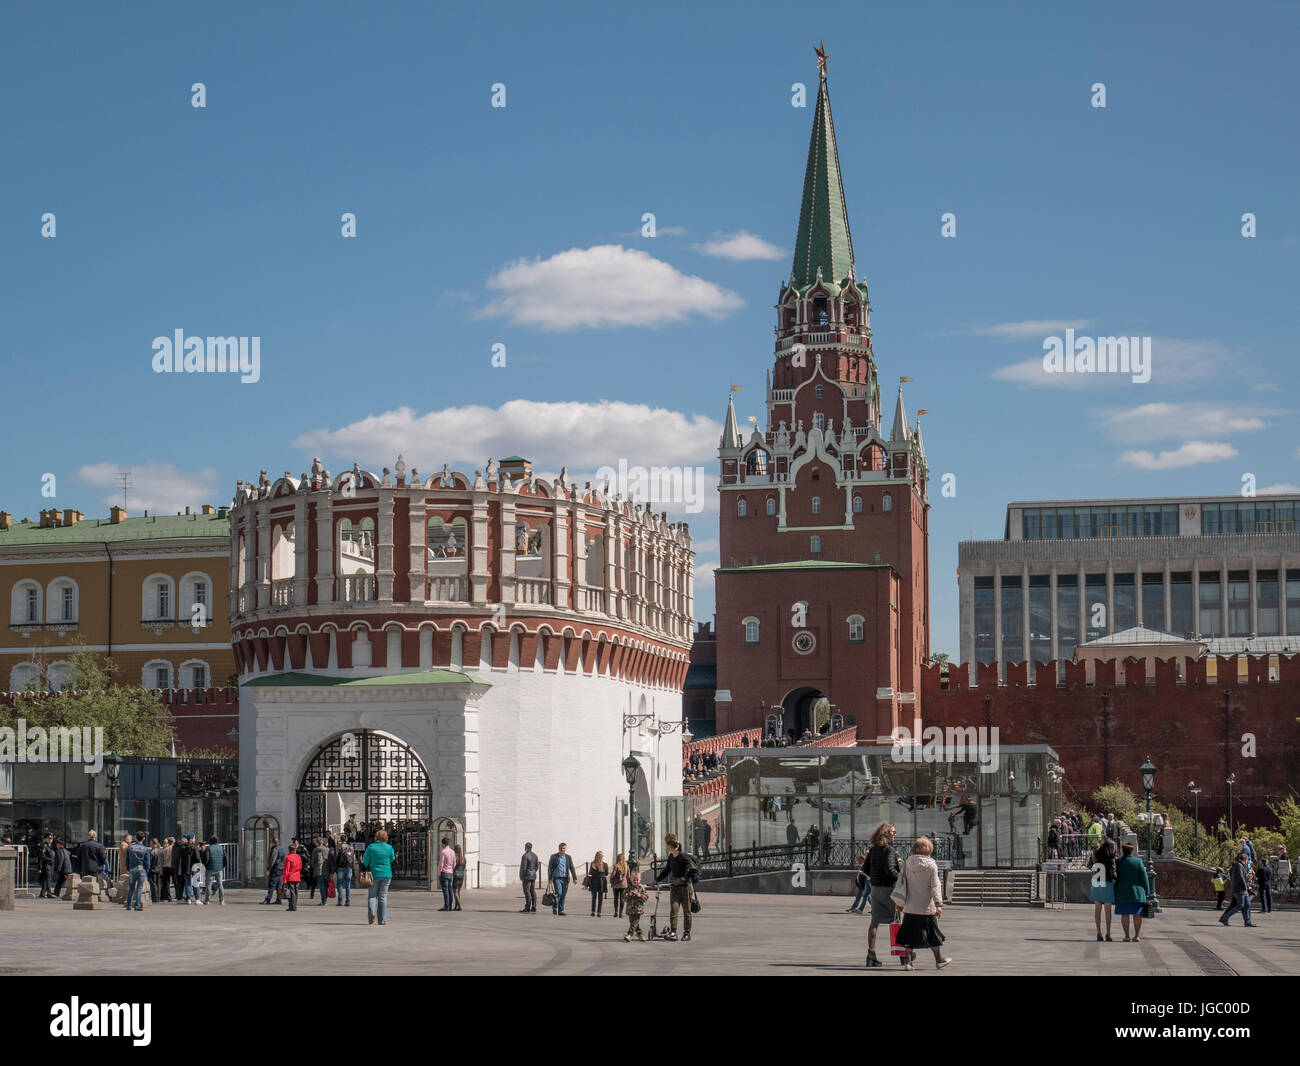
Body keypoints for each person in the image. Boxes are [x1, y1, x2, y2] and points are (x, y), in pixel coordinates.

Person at [894, 836, 951, 970]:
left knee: (908, 935)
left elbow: (901, 882)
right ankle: (939, 960)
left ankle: (908, 963)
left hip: (910, 906)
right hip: (926, 907)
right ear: (929, 850)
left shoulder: (908, 862)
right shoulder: (931, 865)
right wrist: (938, 904)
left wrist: (900, 902)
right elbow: (935, 886)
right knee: (933, 934)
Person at [865, 823, 901, 967]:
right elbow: (890, 870)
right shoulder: (889, 850)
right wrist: (902, 878)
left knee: (875, 922)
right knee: (897, 921)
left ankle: (871, 955)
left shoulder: (873, 850)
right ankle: (902, 955)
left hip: (875, 888)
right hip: (889, 890)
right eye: (893, 832)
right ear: (886, 833)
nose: (895, 834)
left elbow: (866, 869)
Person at [654, 832, 698, 942]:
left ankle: (687, 933)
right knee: (674, 909)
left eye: (666, 844)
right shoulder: (671, 857)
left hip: (685, 887)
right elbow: (667, 870)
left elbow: (693, 868)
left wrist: (685, 877)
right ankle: (673, 931)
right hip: (675, 887)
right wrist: (656, 880)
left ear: (670, 845)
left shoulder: (683, 856)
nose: (666, 846)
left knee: (687, 911)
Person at [1114, 841, 1151, 941]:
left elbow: (1115, 877)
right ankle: (1137, 935)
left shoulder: (1119, 862)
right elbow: (1144, 878)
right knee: (1137, 914)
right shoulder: (1138, 862)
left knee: (1125, 914)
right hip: (1137, 893)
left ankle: (1126, 936)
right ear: (1132, 851)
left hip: (1122, 893)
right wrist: (1147, 892)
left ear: (1123, 850)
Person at [362, 828, 395, 926]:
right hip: (386, 874)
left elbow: (365, 861)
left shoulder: (371, 847)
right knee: (383, 897)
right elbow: (392, 859)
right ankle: (382, 920)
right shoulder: (389, 847)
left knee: (372, 896)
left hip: (374, 874)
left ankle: (371, 914)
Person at [1091, 835, 1117, 942]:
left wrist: (1096, 850)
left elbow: (1090, 865)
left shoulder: (1097, 854)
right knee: (1107, 910)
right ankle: (1108, 933)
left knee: (1097, 909)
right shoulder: (1111, 858)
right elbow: (1114, 873)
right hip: (1107, 883)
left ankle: (1098, 933)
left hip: (1097, 882)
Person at [1220, 852, 1256, 928]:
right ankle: (1225, 918)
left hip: (1241, 889)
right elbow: (1240, 877)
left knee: (1247, 905)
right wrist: (1246, 886)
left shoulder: (1238, 866)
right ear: (1246, 860)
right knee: (1240, 905)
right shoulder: (1238, 866)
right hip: (1240, 889)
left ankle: (1248, 922)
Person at [547, 842, 578, 916]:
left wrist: (575, 878)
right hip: (557, 878)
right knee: (559, 893)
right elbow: (550, 868)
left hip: (565, 879)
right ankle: (555, 907)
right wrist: (550, 878)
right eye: (561, 848)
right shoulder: (554, 857)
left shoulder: (568, 857)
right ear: (559, 848)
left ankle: (561, 910)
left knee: (563, 894)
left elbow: (572, 868)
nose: (562, 849)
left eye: (563, 848)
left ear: (565, 849)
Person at [123, 833, 151, 912]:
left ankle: (129, 905)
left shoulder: (130, 847)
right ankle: (137, 905)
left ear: (136, 838)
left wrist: (128, 868)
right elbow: (147, 862)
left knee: (131, 888)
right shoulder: (145, 849)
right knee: (139, 888)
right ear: (143, 838)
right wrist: (146, 869)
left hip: (132, 868)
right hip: (141, 868)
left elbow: (127, 860)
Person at [623, 870, 649, 941]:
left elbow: (646, 897)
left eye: (637, 880)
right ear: (631, 880)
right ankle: (640, 934)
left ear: (640, 880)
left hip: (638, 909)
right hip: (630, 909)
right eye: (634, 880)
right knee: (633, 922)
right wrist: (629, 895)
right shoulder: (628, 888)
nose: (636, 881)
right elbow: (624, 898)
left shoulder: (641, 888)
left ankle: (630, 934)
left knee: (634, 922)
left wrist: (640, 895)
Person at [262, 836, 286, 904]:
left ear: (273, 842)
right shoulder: (282, 849)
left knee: (272, 884)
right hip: (281, 868)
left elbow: (273, 860)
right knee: (279, 885)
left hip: (276, 869)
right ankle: (279, 899)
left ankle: (268, 899)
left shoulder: (275, 849)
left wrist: (269, 868)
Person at [282, 841, 303, 912]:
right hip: (297, 876)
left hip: (290, 876)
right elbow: (300, 866)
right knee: (296, 891)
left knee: (291, 892)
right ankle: (295, 905)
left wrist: (284, 879)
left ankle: (292, 906)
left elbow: (286, 869)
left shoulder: (288, 858)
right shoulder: (298, 857)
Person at [588, 850, 610, 917]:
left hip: (594, 880)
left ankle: (593, 911)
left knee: (594, 897)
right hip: (602, 881)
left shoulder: (593, 864)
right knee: (600, 898)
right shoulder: (605, 864)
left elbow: (590, 872)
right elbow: (606, 873)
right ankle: (599, 912)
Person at [519, 842, 539, 913]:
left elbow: (523, 867)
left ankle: (527, 907)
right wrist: (533, 872)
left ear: (526, 847)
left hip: (527, 876)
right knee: (532, 891)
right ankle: (534, 906)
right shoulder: (535, 856)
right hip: (533, 876)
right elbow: (537, 866)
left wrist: (522, 876)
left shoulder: (525, 856)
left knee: (527, 891)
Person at [334, 836, 354, 906]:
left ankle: (340, 901)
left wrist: (335, 867)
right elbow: (352, 859)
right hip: (349, 867)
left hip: (341, 867)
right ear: (346, 839)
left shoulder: (339, 847)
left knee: (340, 884)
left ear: (340, 840)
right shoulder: (350, 847)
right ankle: (348, 901)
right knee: (348, 884)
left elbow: (336, 857)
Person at [437, 838, 456, 911]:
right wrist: (451, 869)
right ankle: (450, 905)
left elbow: (441, 863)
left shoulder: (443, 852)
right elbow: (454, 863)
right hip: (450, 872)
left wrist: (439, 872)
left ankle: (446, 906)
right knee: (450, 889)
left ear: (443, 844)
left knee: (445, 890)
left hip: (444, 872)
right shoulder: (452, 852)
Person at [205, 837, 226, 905]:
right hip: (219, 869)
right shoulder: (221, 848)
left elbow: (207, 858)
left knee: (208, 884)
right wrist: (223, 866)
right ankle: (221, 900)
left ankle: (207, 900)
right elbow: (225, 858)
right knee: (220, 884)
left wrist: (205, 866)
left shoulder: (209, 848)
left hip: (210, 868)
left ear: (210, 842)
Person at [313, 837, 332, 906]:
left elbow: (313, 861)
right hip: (326, 869)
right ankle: (325, 900)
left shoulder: (315, 850)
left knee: (321, 886)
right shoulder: (327, 849)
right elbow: (330, 860)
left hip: (319, 870)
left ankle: (323, 900)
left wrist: (312, 867)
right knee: (326, 885)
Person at [610, 853, 629, 918]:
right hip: (623, 885)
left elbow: (613, 874)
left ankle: (616, 912)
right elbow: (628, 876)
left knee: (616, 898)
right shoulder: (626, 866)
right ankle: (621, 913)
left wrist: (611, 880)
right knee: (622, 899)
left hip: (616, 885)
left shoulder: (616, 866)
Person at [38, 834, 55, 899]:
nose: (50, 840)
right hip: (46, 865)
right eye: (49, 838)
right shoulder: (45, 847)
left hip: (50, 865)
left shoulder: (50, 846)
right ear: (46, 839)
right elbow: (42, 857)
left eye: (51, 839)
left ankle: (42, 893)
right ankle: (49, 893)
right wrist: (40, 868)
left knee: (46, 879)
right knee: (48, 879)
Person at [160, 837, 174, 902]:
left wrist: (161, 869)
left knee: (166, 883)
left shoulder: (164, 849)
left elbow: (162, 860)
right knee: (176, 882)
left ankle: (169, 897)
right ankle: (178, 896)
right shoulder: (174, 849)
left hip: (165, 867)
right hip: (173, 867)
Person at [452, 843, 466, 911]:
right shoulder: (463, 858)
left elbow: (453, 866)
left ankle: (459, 906)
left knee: (455, 891)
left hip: (455, 875)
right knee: (458, 891)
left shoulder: (455, 857)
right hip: (461, 875)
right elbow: (464, 867)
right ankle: (456, 906)